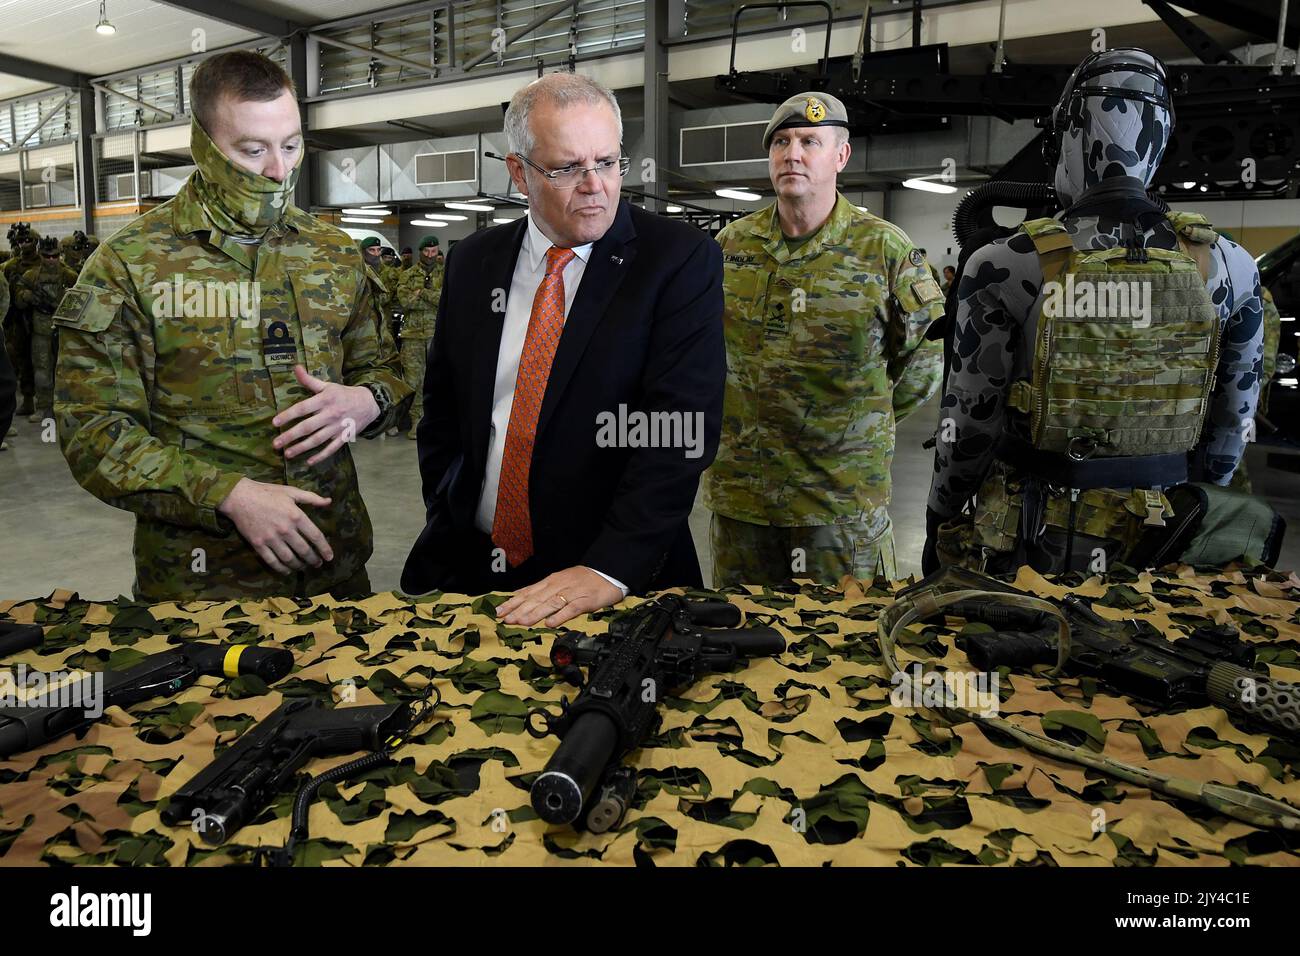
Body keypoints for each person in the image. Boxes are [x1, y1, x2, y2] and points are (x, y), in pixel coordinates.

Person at [55, 49, 410, 602]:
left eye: (291, 146)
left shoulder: (333, 253)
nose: (278, 170)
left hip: (336, 570)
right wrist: (228, 494)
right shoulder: (130, 265)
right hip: (203, 588)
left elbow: (385, 367)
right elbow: (93, 433)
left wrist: (369, 400)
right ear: (204, 145)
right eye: (252, 150)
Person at [401, 71, 725, 627]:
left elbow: (680, 430)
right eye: (568, 167)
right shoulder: (474, 262)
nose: (595, 184)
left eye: (607, 162)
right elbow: (444, 412)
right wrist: (450, 505)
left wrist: (609, 568)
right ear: (519, 174)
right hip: (473, 565)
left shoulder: (676, 260)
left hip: (611, 578)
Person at [924, 48, 1265, 575]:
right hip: (1166, 528)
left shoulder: (1006, 262)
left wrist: (940, 513)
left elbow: (969, 420)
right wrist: (1200, 510)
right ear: (1161, 138)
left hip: (1031, 533)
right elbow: (1233, 422)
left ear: (1069, 133)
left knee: (1024, 654)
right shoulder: (1228, 262)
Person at [703, 92, 945, 587]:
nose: (792, 153)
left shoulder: (884, 248)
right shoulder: (730, 246)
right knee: (737, 642)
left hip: (839, 505)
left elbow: (923, 361)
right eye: (781, 142)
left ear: (841, 156)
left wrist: (853, 423)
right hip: (743, 499)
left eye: (810, 141)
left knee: (841, 646)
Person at [14, 237, 78, 424]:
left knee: (66, 371)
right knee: (42, 372)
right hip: (40, 331)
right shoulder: (30, 276)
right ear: (40, 255)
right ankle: (43, 407)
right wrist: (25, 296)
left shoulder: (69, 275)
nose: (51, 260)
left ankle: (65, 408)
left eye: (55, 256)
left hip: (64, 330)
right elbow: (17, 301)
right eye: (46, 256)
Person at [395, 234, 443, 439]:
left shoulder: (446, 272)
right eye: (426, 251)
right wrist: (431, 297)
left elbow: (444, 299)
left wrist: (421, 292)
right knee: (414, 379)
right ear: (420, 252)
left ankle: (436, 419)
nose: (430, 255)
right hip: (412, 334)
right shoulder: (408, 274)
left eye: (434, 251)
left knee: (437, 378)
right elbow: (405, 302)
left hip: (436, 333)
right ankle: (416, 419)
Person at [2, 223, 39, 420]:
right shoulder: (11, 266)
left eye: (29, 240)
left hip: (40, 319)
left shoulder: (45, 264)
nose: (25, 244)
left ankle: (41, 401)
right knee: (18, 359)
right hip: (16, 320)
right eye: (22, 240)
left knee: (40, 362)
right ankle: (25, 398)